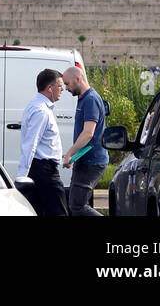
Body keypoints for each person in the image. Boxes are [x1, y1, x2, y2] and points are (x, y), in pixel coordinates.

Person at [17, 68, 69, 216]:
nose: (62, 89)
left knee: (38, 211)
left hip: (41, 168)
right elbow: (31, 143)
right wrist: (22, 176)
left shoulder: (36, 106)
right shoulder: (41, 111)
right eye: (59, 86)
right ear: (49, 88)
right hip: (44, 170)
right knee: (58, 212)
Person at [62, 65, 108, 217]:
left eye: (67, 84)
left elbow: (88, 133)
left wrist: (69, 153)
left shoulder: (91, 99)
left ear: (77, 79)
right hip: (85, 160)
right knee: (77, 204)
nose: (66, 88)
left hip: (92, 162)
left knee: (78, 206)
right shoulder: (84, 99)